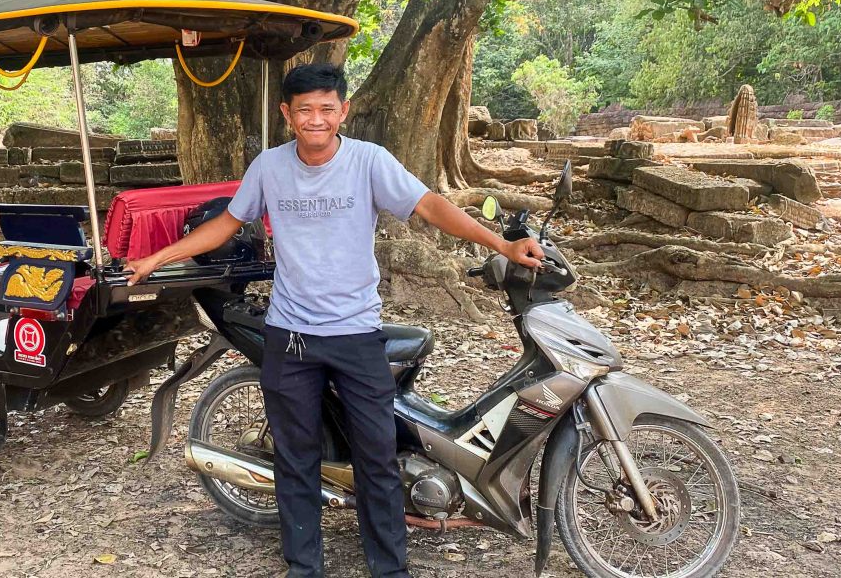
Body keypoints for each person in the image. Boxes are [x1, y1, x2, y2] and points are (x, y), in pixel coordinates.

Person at [125, 63, 543, 577]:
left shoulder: (369, 161)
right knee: (296, 461)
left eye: (326, 108)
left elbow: (429, 205)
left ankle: (389, 569)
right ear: (287, 114)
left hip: (356, 336)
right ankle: (305, 568)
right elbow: (226, 225)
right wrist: (158, 258)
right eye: (305, 110)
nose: (315, 119)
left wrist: (500, 243)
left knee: (376, 460)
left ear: (343, 111)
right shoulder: (269, 168)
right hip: (291, 337)